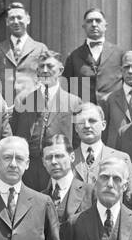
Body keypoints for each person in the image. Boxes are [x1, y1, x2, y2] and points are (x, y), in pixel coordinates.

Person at [11, 49, 82, 190]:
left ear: (60, 71)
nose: (44, 70)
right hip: (28, 168)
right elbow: (14, 131)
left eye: (50, 66)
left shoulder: (73, 102)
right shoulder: (24, 99)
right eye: (41, 67)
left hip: (58, 166)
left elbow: (77, 140)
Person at [71, 103, 132, 195]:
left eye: (92, 121)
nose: (86, 125)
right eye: (81, 122)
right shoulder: (66, 160)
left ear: (103, 125)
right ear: (76, 128)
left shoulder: (122, 158)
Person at [0, 2, 47, 101]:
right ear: (7, 22)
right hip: (4, 106)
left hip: (31, 106)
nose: (16, 21)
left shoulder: (40, 49)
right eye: (12, 18)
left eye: (19, 17)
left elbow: (46, 80)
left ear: (28, 20)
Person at [64, 6, 125, 103]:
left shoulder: (120, 53)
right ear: (84, 26)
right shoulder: (74, 56)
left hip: (112, 110)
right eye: (89, 21)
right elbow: (66, 89)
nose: (94, 24)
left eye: (98, 21)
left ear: (106, 26)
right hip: (84, 111)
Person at [102, 50, 132, 147]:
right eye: (126, 67)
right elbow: (103, 135)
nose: (130, 71)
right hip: (116, 157)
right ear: (121, 70)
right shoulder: (108, 100)